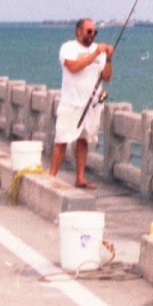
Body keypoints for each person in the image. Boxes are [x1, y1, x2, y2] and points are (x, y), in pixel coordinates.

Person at [50, 19, 113, 189]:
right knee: (61, 141)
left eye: (94, 32)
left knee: (83, 140)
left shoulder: (99, 52)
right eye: (89, 31)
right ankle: (50, 177)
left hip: (91, 105)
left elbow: (106, 77)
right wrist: (95, 54)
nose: (92, 35)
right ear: (78, 31)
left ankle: (80, 177)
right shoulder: (68, 48)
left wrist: (108, 58)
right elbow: (73, 67)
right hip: (71, 103)